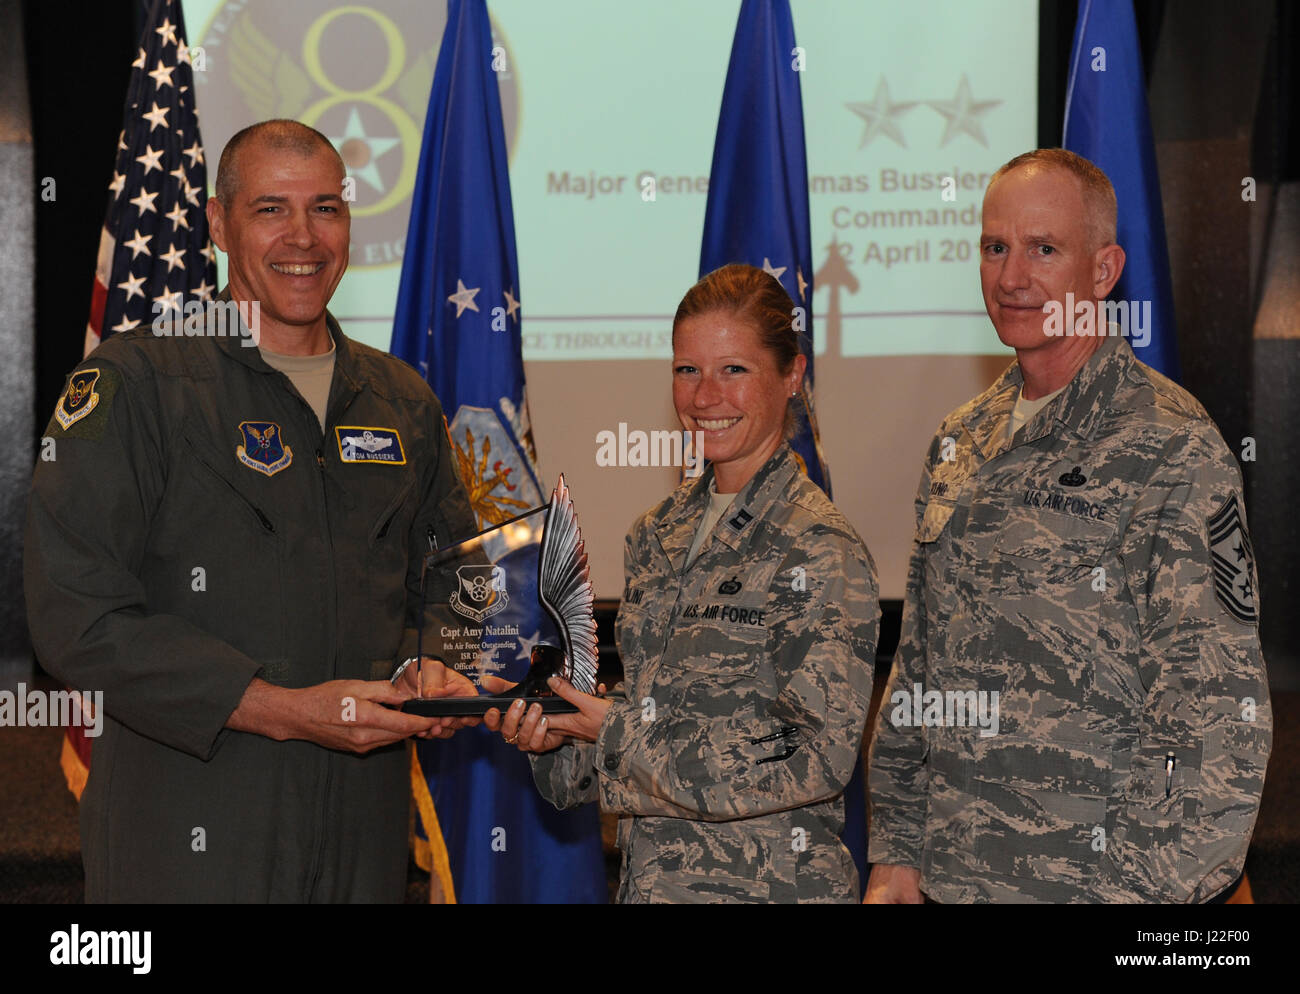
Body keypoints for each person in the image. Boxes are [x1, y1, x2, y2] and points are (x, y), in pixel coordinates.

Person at [24, 119, 480, 902]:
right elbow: (75, 616)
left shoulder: (401, 399)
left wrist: (440, 663)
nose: (303, 238)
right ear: (218, 222)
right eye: (272, 209)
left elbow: (458, 578)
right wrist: (276, 709)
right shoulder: (136, 385)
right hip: (191, 835)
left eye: (326, 209)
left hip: (360, 840)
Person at [866, 149, 1272, 904]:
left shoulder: (1172, 446)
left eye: (1043, 249)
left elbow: (1217, 717)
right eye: (995, 247)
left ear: (1104, 269)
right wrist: (897, 846)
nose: (1012, 277)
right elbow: (919, 668)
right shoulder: (960, 440)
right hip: (957, 882)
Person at [485, 263, 878, 902]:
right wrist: (558, 737)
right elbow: (642, 732)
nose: (704, 397)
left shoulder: (818, 545)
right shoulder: (656, 534)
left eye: (734, 370)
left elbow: (814, 754)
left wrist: (610, 731)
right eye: (687, 370)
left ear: (792, 377)